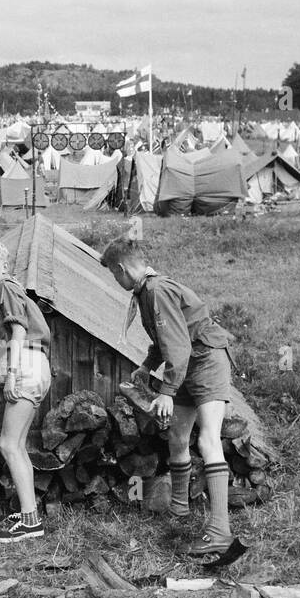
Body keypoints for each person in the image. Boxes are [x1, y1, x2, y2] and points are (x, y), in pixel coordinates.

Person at [100, 238, 242, 562]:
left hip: (205, 362)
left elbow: (178, 347)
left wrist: (166, 392)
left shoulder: (157, 291)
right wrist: (147, 366)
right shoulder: (147, 291)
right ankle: (180, 509)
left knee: (208, 440)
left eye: (112, 274)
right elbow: (166, 341)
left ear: (121, 269)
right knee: (178, 437)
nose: (115, 280)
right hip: (187, 364)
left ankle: (220, 532)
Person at [0, 241, 53, 543]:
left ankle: (31, 522)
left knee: (7, 445)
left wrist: (11, 375)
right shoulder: (2, 293)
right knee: (16, 446)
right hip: (36, 366)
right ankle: (30, 515)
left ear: (3, 267)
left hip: (26, 366)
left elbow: (18, 331)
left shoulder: (6, 288)